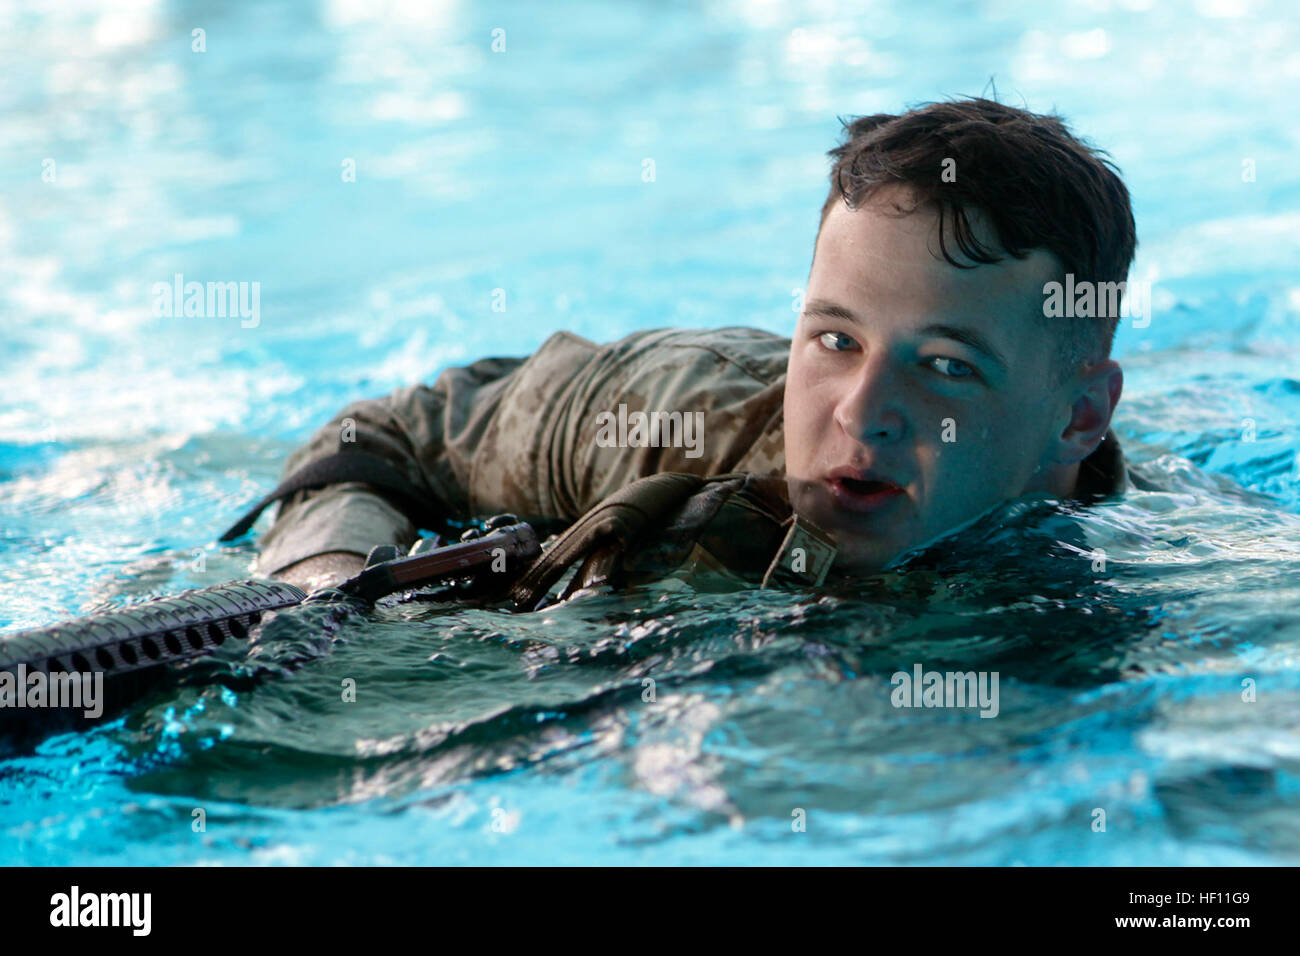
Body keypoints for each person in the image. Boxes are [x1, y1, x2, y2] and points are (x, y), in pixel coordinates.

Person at [249, 97, 1136, 594]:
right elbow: (375, 440)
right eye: (834, 338)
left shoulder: (1188, 583)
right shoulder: (672, 417)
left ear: (1079, 415)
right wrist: (328, 585)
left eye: (946, 365)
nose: (861, 412)